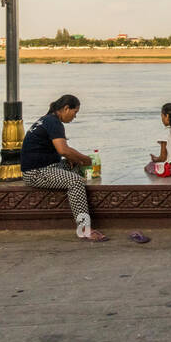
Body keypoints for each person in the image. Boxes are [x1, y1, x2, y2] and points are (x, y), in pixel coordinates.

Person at [20, 94, 107, 241]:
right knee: (76, 181)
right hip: (36, 172)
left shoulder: (46, 120)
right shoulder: (54, 122)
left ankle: (83, 202)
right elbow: (63, 150)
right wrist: (86, 159)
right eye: (75, 112)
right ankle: (85, 228)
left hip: (47, 166)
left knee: (74, 165)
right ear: (66, 108)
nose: (74, 117)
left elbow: (63, 151)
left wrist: (76, 160)